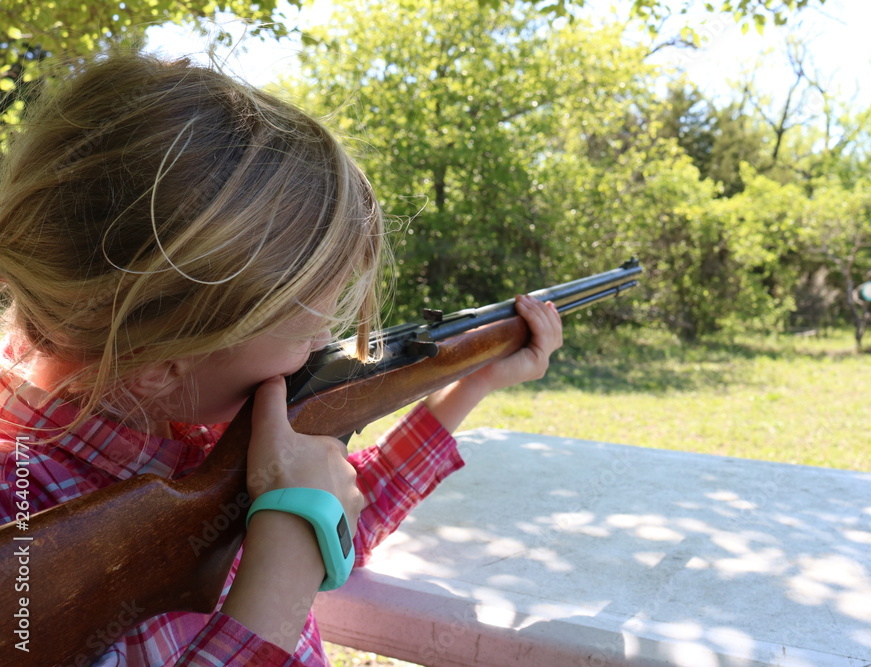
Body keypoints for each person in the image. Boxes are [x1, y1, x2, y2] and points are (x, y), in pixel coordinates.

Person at [0, 50, 562, 665]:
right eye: (310, 329)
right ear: (164, 358)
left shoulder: (182, 439)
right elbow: (287, 551)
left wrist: (468, 383)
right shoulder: (23, 536)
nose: (324, 349)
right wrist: (288, 556)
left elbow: (321, 524)